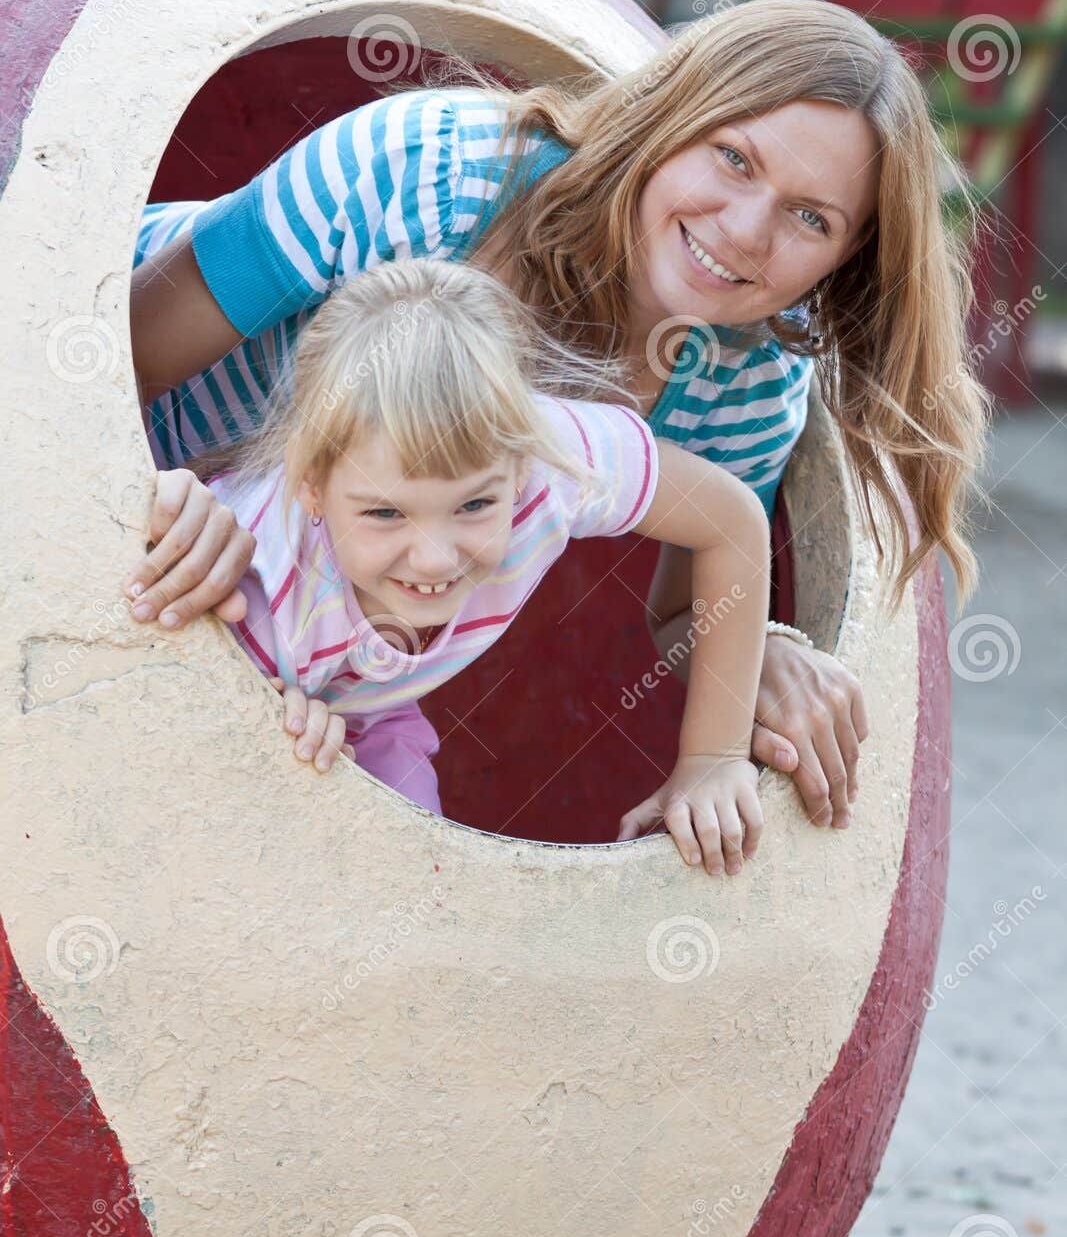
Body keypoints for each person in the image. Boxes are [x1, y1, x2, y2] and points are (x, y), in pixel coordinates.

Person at [126, 0, 990, 830]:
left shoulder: (745, 384)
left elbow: (688, 602)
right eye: (732, 157)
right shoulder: (428, 175)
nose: (746, 231)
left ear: (846, 260)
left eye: (810, 217)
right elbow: (101, 368)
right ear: (669, 117)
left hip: (297, 633)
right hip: (152, 467)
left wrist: (757, 648)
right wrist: (158, 500)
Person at [184, 256, 772, 877]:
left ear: (519, 470)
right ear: (310, 486)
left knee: (419, 876)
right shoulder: (251, 567)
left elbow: (730, 521)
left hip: (375, 708)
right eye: (385, 514)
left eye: (474, 505)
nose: (435, 557)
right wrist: (254, 716)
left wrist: (714, 755)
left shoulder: (552, 460)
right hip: (275, 707)